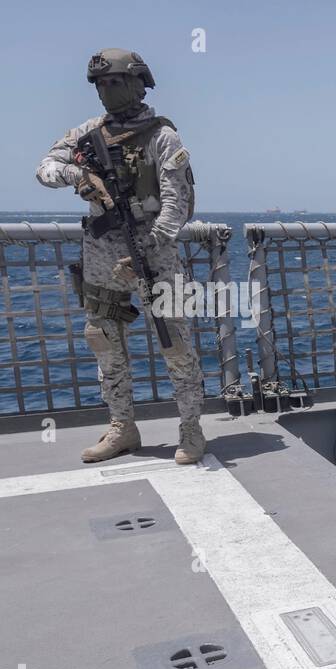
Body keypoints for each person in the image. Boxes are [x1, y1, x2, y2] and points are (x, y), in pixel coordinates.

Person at [36, 49, 205, 465]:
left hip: (154, 255)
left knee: (175, 344)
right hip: (101, 254)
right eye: (100, 84)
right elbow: (45, 169)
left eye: (114, 82)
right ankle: (122, 426)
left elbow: (177, 203)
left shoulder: (162, 137)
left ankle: (190, 427)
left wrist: (148, 246)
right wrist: (79, 176)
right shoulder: (87, 132)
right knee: (103, 339)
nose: (106, 90)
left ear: (138, 84)